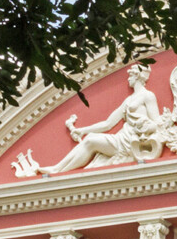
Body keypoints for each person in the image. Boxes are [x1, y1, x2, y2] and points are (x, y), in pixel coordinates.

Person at [36, 63, 166, 174]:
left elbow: (156, 123)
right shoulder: (128, 100)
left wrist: (144, 127)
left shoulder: (148, 96)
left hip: (131, 141)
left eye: (131, 75)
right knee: (89, 139)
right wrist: (82, 131)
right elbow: (108, 124)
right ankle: (57, 169)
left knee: (90, 140)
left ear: (138, 76)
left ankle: (57, 170)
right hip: (122, 138)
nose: (129, 79)